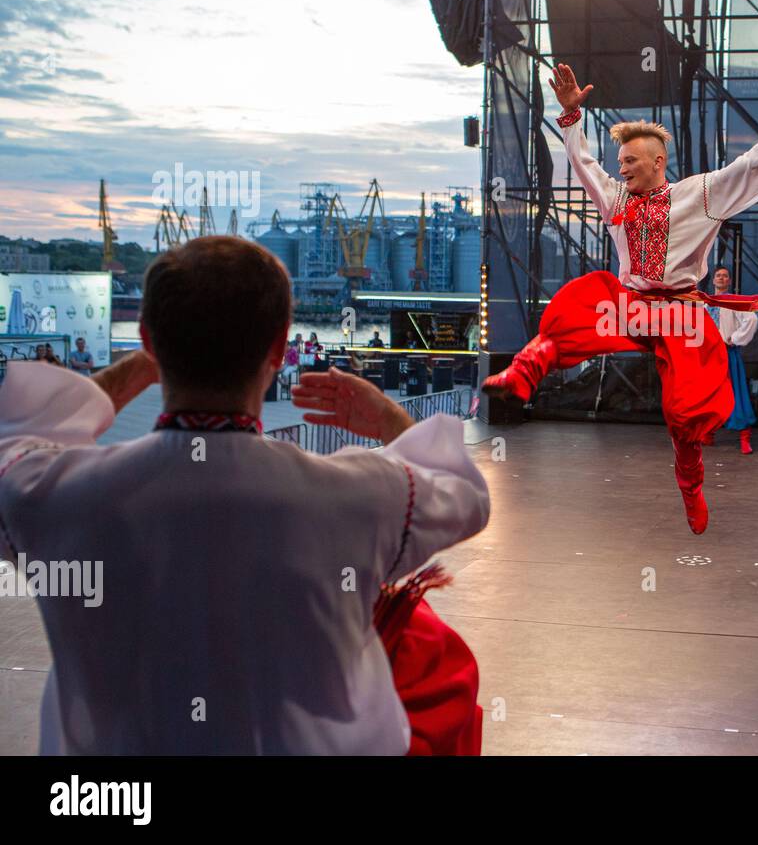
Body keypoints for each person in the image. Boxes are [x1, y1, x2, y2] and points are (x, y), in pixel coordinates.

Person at [0, 236, 491, 754]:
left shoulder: (59, 496)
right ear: (280, 347)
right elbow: (464, 493)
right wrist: (387, 419)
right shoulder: (356, 496)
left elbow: (20, 438)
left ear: (147, 338)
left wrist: (141, 365)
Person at [483, 61, 758, 534]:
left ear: (657, 162)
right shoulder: (617, 200)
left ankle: (690, 482)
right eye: (621, 163)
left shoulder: (699, 195)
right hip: (633, 306)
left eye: (631, 161)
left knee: (686, 411)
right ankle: (521, 372)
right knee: (577, 310)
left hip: (682, 313)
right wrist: (572, 117)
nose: (622, 168)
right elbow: (584, 164)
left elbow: (750, 165)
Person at [705, 266, 758, 454]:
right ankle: (708, 433)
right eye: (718, 275)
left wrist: (735, 338)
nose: (721, 278)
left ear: (729, 281)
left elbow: (751, 319)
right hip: (708, 355)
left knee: (735, 393)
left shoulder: (733, 301)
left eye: (725, 276)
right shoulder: (706, 303)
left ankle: (744, 437)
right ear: (713, 281)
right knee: (708, 395)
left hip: (726, 353)